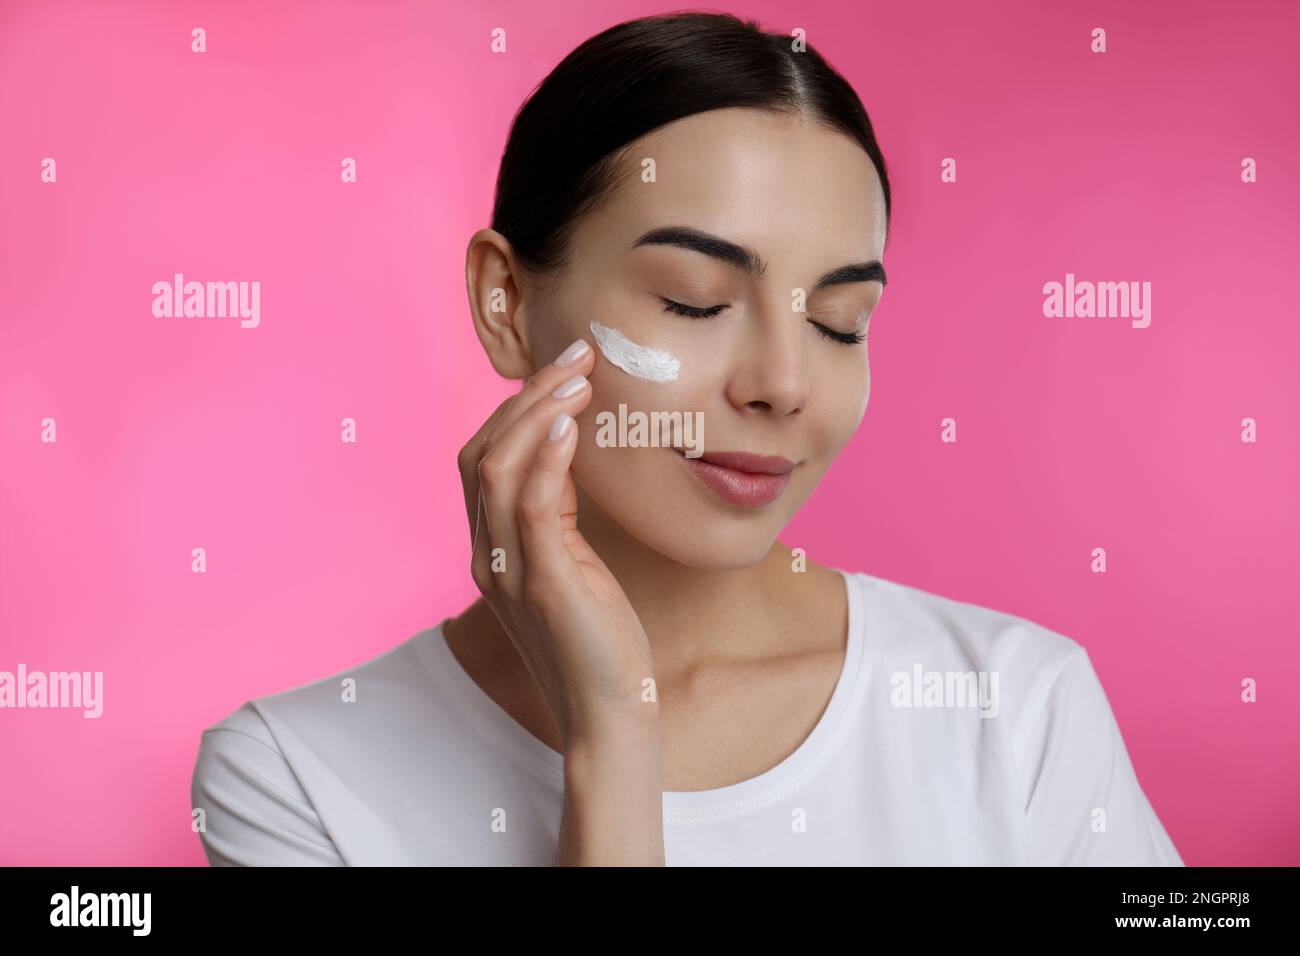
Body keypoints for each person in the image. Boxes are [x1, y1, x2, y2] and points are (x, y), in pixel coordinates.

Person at [191, 11, 1183, 866]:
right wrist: (614, 733)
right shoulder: (300, 775)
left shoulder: (1010, 705)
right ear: (506, 300)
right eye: (693, 301)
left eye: (839, 321)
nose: (784, 384)